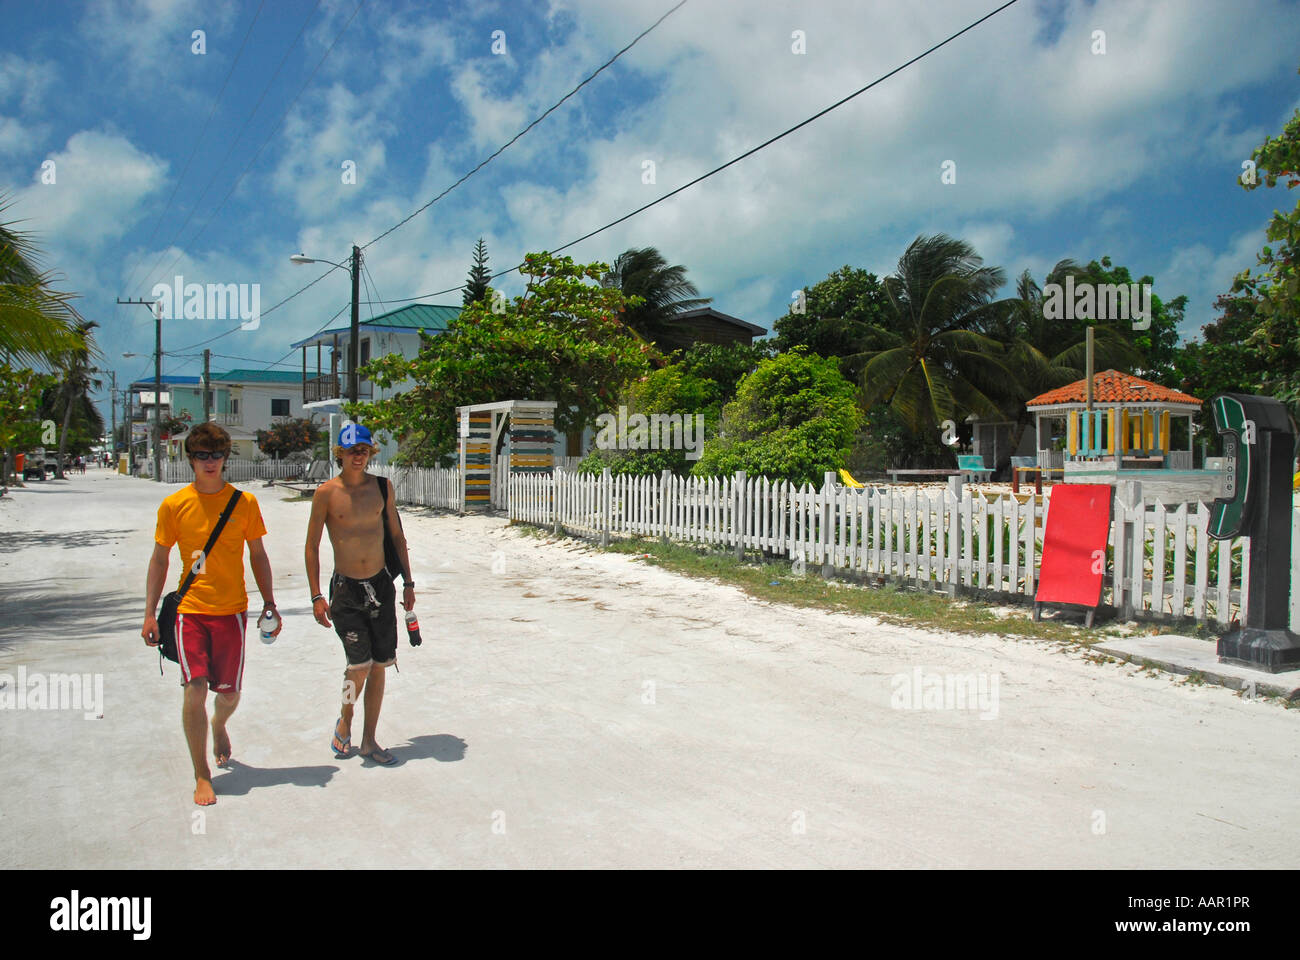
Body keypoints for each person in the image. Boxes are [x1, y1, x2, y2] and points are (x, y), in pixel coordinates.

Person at [141, 422, 280, 805]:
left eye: (216, 454)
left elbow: (258, 555)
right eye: (202, 455)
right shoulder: (174, 505)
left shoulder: (244, 503)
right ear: (190, 459)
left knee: (230, 694)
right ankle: (201, 774)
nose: (210, 462)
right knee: (195, 687)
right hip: (190, 612)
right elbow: (159, 560)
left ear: (225, 458)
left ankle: (219, 724)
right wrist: (150, 613)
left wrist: (270, 602)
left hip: (232, 611)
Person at [304, 423, 414, 766]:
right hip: (346, 590)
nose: (358, 456)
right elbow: (311, 546)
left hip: (381, 584)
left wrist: (408, 583)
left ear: (371, 452)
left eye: (363, 450)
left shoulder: (382, 487)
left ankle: (369, 741)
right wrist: (316, 595)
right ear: (340, 453)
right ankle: (346, 715)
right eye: (352, 451)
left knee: (380, 664)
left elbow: (397, 536)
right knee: (359, 665)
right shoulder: (326, 493)